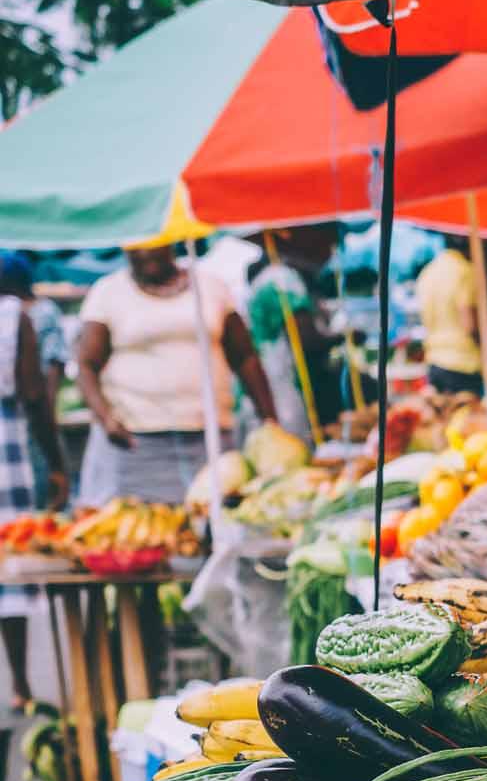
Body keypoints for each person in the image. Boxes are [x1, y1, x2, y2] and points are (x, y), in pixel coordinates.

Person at [74, 244, 278, 506]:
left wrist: (269, 418)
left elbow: (245, 357)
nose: (143, 253)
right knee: (141, 529)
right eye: (134, 249)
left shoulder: (211, 288)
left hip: (209, 436)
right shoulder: (108, 292)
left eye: (150, 246)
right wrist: (106, 418)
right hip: (137, 442)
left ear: (169, 244)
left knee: (213, 519)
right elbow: (86, 364)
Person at [0, 257, 71, 708]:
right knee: (9, 566)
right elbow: (33, 393)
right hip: (6, 449)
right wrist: (57, 460)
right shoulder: (15, 316)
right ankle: (21, 686)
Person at [246, 229, 337, 445]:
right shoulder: (283, 279)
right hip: (280, 388)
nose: (330, 251)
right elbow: (306, 337)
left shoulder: (270, 276)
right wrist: (344, 337)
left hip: (268, 389)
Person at [415, 246, 484, 395]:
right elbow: (470, 324)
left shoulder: (427, 272)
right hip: (464, 362)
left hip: (434, 359)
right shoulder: (465, 271)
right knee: (464, 415)